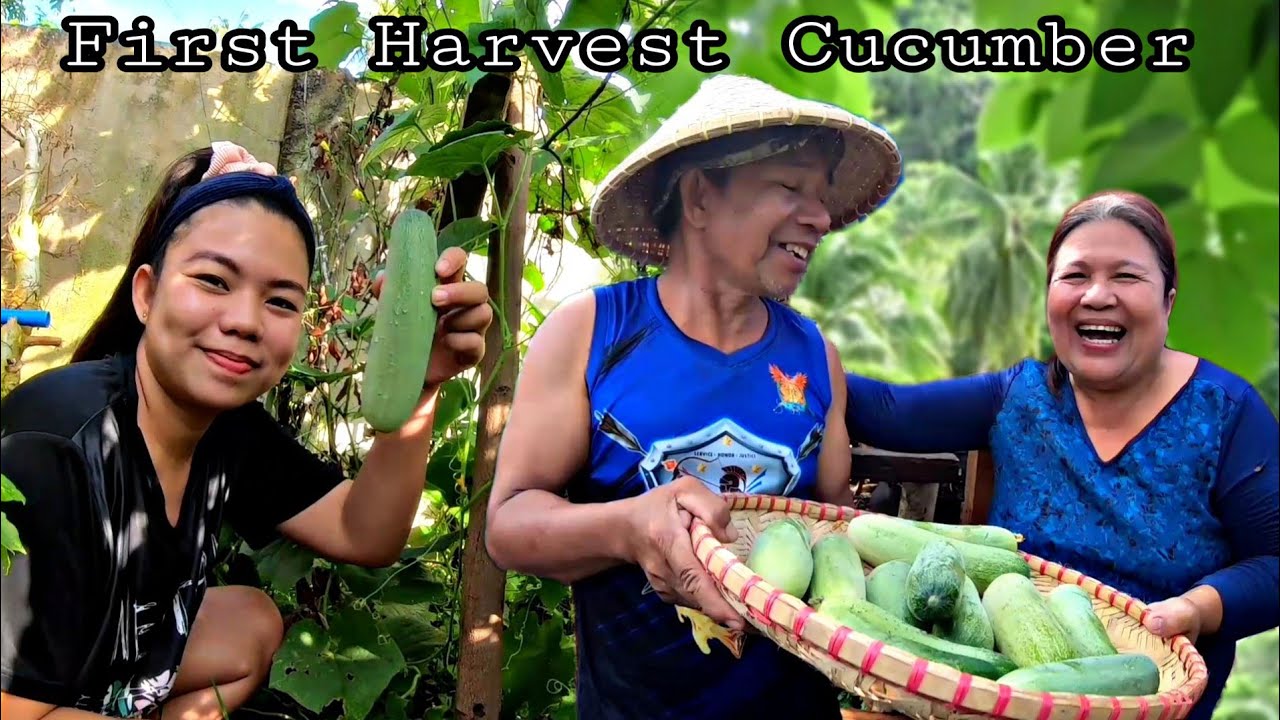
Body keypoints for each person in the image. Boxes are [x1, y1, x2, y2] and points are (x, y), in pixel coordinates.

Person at [0, 142, 493, 720]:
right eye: (213, 280)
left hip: (98, 665)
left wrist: (422, 383)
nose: (243, 322)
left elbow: (366, 534)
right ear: (146, 292)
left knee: (249, 623)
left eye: (281, 300)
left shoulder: (225, 424)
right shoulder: (54, 447)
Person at [484, 75, 903, 719]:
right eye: (791, 187)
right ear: (701, 195)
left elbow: (835, 530)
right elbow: (508, 527)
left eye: (821, 198)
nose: (820, 218)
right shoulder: (594, 334)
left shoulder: (816, 356)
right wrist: (627, 526)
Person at [842, 189, 1278, 720]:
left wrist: (1198, 608)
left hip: (1154, 703)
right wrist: (789, 340)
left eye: (1126, 276)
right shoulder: (1019, 398)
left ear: (1168, 299)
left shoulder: (1226, 412)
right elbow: (887, 410)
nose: (1097, 295)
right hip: (1009, 700)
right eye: (1075, 276)